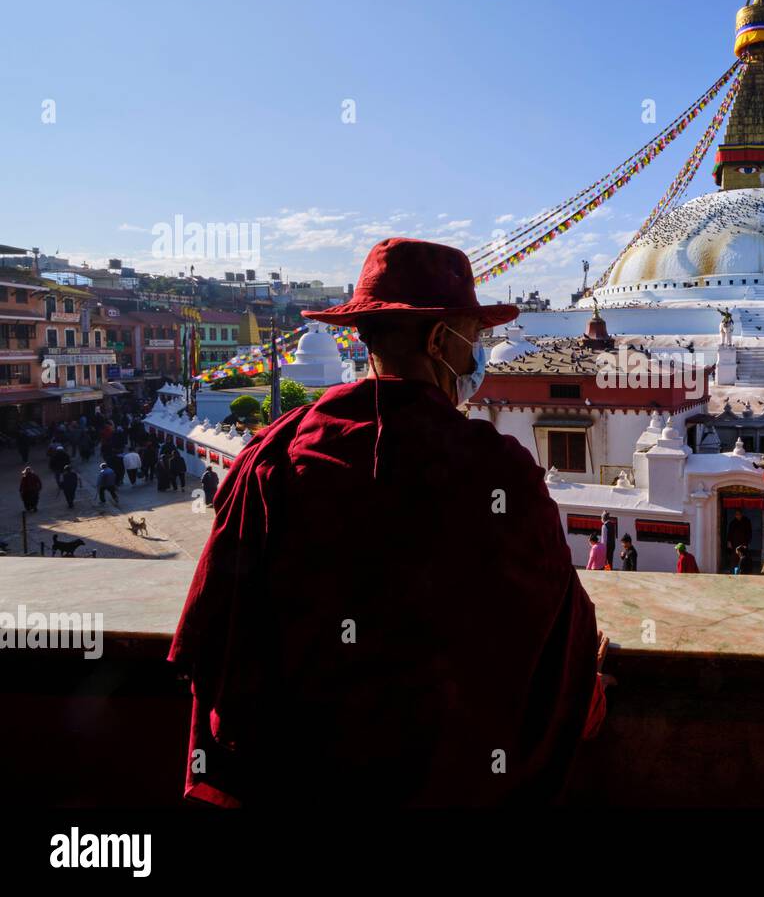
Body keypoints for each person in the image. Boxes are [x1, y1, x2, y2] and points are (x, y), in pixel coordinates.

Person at [168, 238, 607, 807]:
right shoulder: (496, 471)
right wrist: (587, 690)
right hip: (443, 787)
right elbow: (554, 635)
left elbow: (217, 632)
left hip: (298, 787)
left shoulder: (274, 455)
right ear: (438, 339)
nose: (475, 356)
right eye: (472, 339)